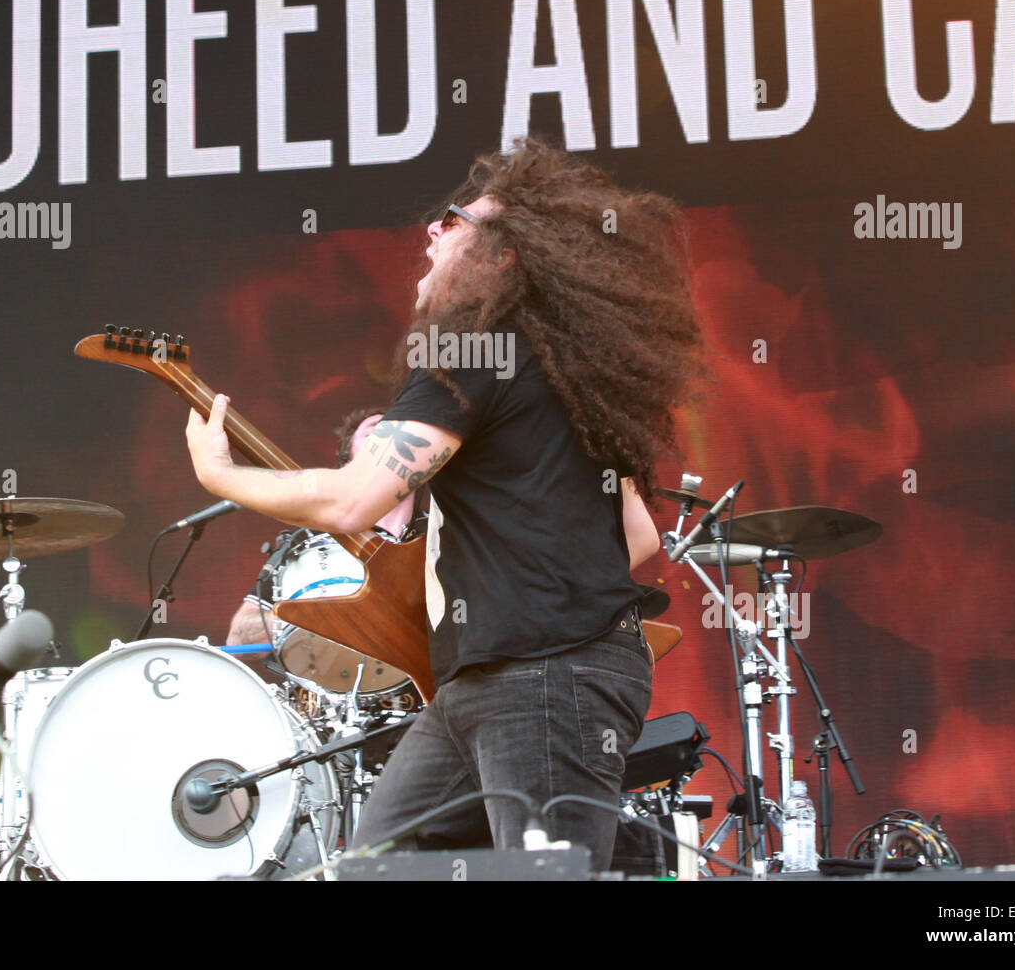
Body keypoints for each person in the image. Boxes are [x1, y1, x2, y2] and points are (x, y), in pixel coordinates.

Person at [186, 138, 701, 869]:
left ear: (503, 259)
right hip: (489, 682)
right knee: (378, 866)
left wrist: (220, 474)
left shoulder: (472, 353)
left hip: (545, 676)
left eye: (455, 221)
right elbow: (638, 537)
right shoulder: (556, 380)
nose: (433, 230)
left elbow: (354, 498)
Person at [224, 407, 419, 650]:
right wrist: (321, 624)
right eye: (375, 431)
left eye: (401, 433)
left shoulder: (441, 534)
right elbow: (238, 638)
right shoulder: (308, 536)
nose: (391, 436)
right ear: (348, 460)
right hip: (325, 679)